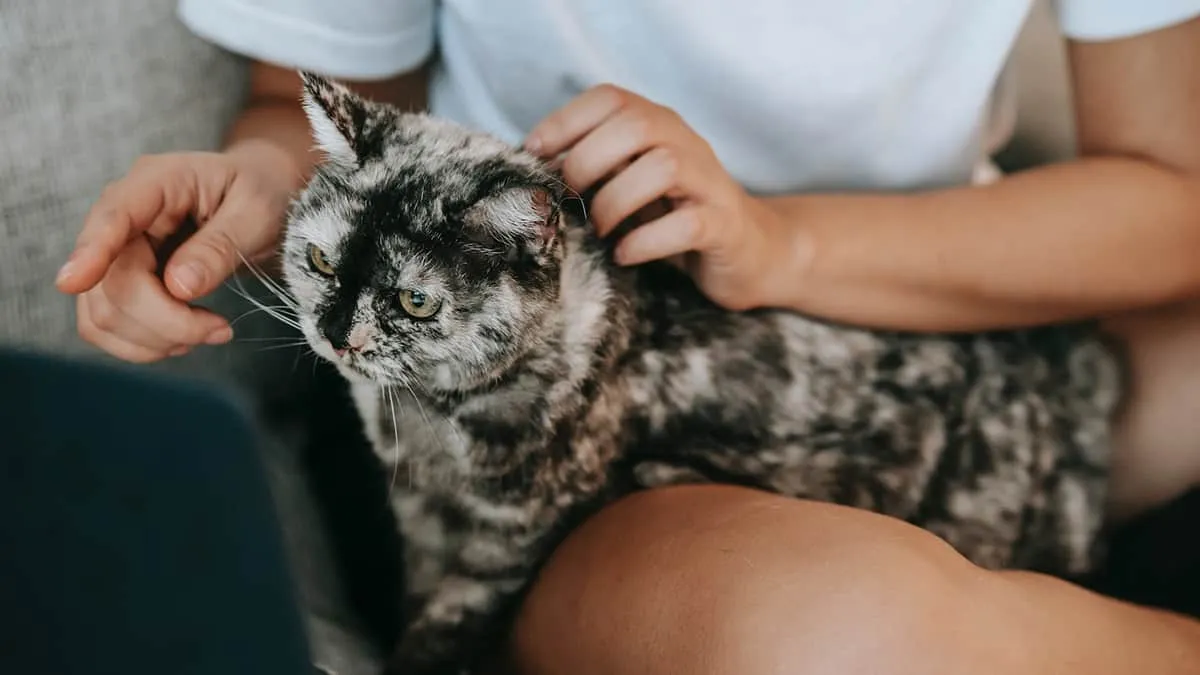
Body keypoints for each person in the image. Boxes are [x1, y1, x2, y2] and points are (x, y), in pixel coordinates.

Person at [56, 1, 1200, 672]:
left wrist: (783, 243)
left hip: (953, 343)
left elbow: (1175, 192)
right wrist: (252, 200)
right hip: (561, 456)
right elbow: (303, 110)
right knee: (838, 635)